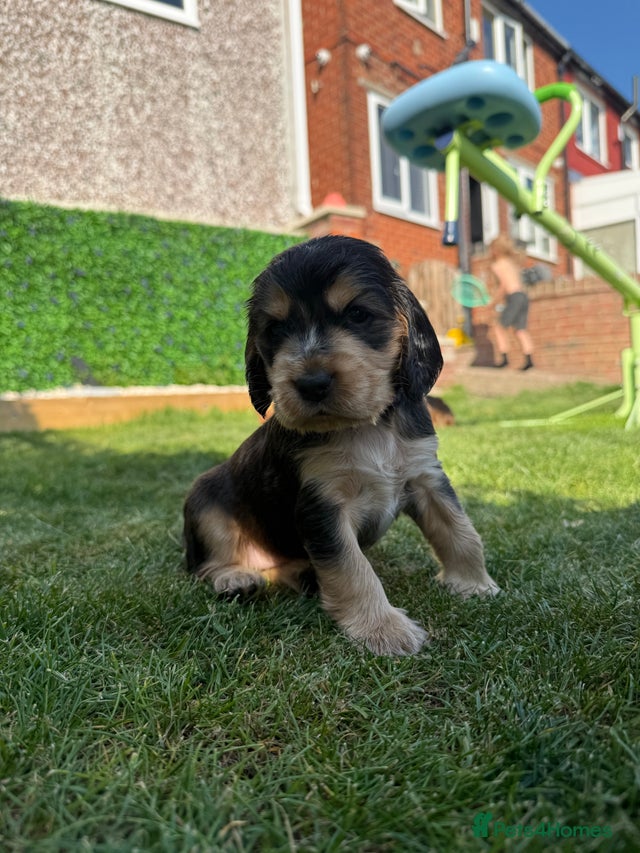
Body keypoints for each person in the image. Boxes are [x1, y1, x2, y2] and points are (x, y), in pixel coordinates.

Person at [488, 235, 534, 370]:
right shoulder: (511, 263)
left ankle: (504, 359)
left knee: (499, 327)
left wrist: (493, 301)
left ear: (495, 250)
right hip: (523, 296)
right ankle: (529, 360)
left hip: (514, 297)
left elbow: (504, 285)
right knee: (520, 329)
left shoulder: (497, 265)